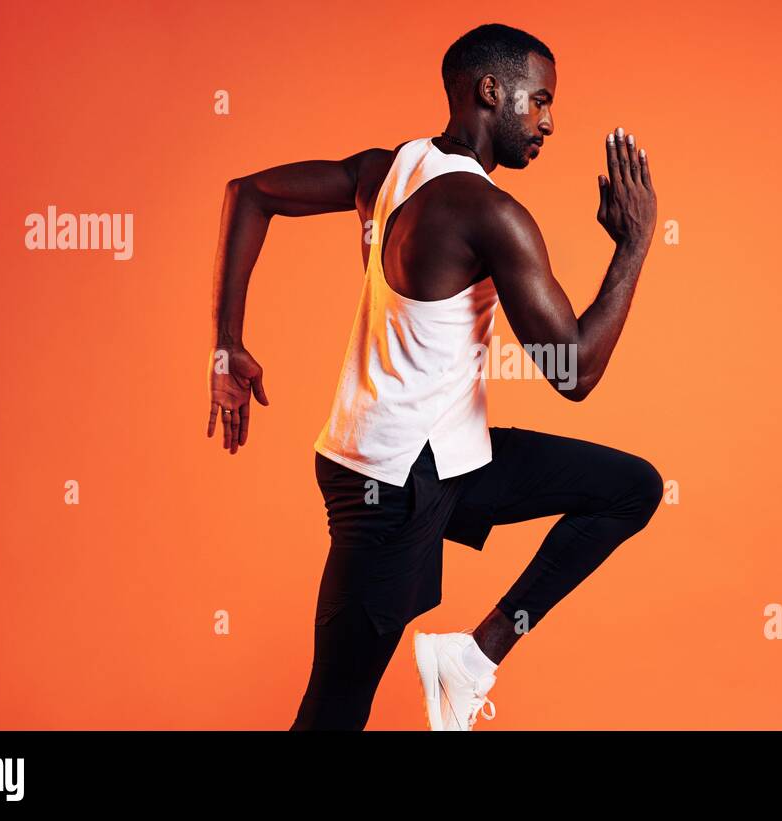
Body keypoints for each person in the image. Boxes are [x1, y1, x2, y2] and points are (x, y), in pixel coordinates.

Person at [207, 23, 662, 730]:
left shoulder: (389, 168)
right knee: (333, 711)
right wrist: (633, 248)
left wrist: (226, 345)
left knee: (630, 488)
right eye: (538, 101)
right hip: (390, 484)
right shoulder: (491, 214)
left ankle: (472, 659)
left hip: (449, 456)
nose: (549, 121)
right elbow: (574, 372)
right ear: (491, 91)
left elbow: (250, 193)